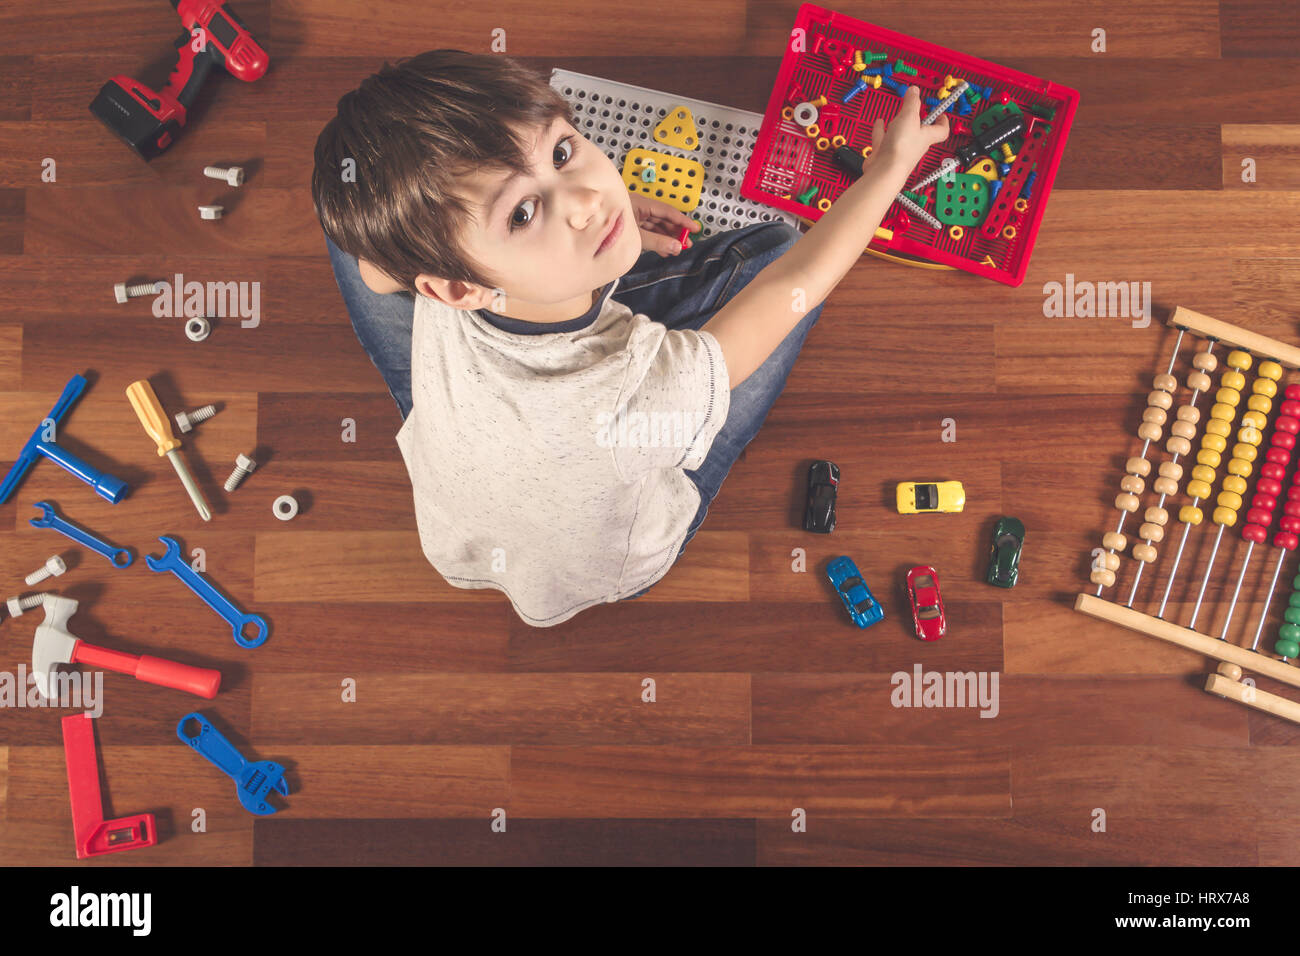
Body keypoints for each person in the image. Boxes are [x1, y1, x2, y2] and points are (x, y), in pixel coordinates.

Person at [312, 49, 948, 627]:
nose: (589, 197)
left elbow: (372, 266)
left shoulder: (444, 276)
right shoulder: (640, 391)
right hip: (611, 554)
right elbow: (801, 281)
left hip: (460, 521)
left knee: (363, 233)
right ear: (455, 291)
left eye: (562, 153)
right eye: (524, 213)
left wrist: (611, 217)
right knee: (780, 249)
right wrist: (887, 170)